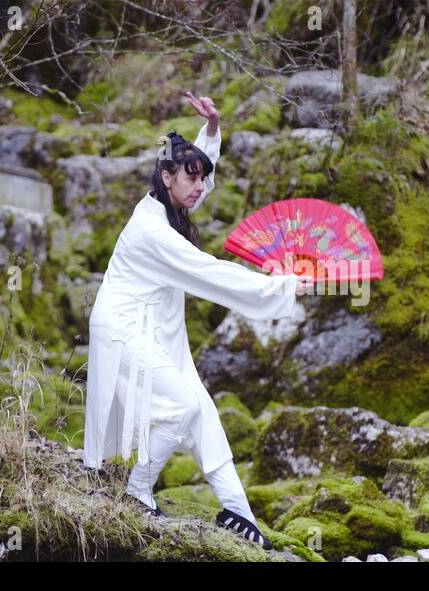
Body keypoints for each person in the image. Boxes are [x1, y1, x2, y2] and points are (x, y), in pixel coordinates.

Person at [83, 91, 313, 550]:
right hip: (124, 328)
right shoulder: (153, 230)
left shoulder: (171, 206)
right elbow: (209, 274)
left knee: (204, 414)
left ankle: (240, 515)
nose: (200, 187)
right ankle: (136, 491)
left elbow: (200, 171)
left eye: (202, 179)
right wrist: (281, 286)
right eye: (191, 178)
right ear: (166, 177)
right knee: (182, 408)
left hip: (157, 326)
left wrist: (211, 128)